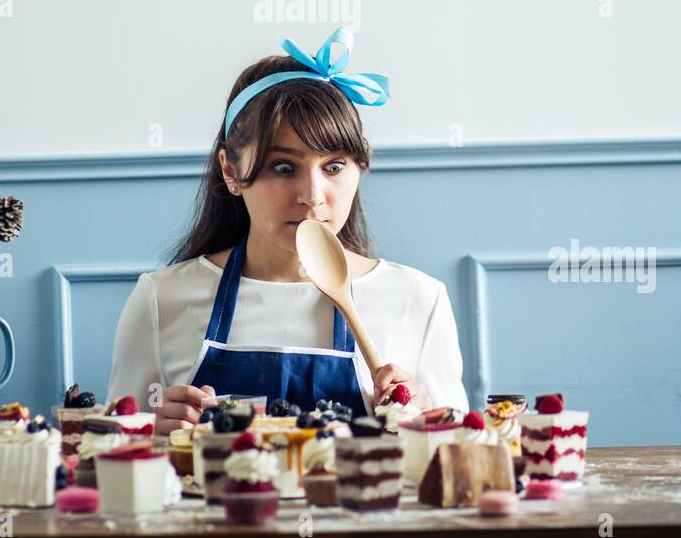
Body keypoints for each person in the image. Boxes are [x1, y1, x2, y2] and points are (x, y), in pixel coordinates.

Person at [107, 26, 468, 435]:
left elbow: (458, 465)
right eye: (283, 167)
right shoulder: (160, 299)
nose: (312, 195)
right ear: (231, 171)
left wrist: (426, 425)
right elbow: (113, 454)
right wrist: (154, 434)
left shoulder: (419, 300)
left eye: (334, 166)